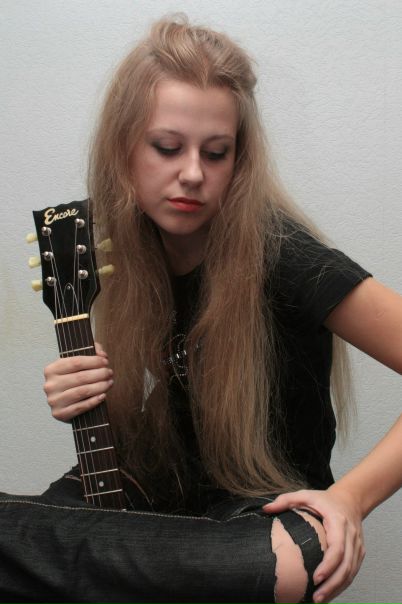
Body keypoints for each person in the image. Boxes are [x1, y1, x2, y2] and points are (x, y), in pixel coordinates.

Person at [0, 14, 401, 604]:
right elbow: (149, 427)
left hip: (259, 520)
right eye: (167, 147)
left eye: (217, 153)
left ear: (239, 159)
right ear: (122, 148)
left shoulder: (285, 256)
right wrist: (85, 391)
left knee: (293, 560)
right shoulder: (119, 246)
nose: (192, 173)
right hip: (152, 499)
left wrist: (349, 500)